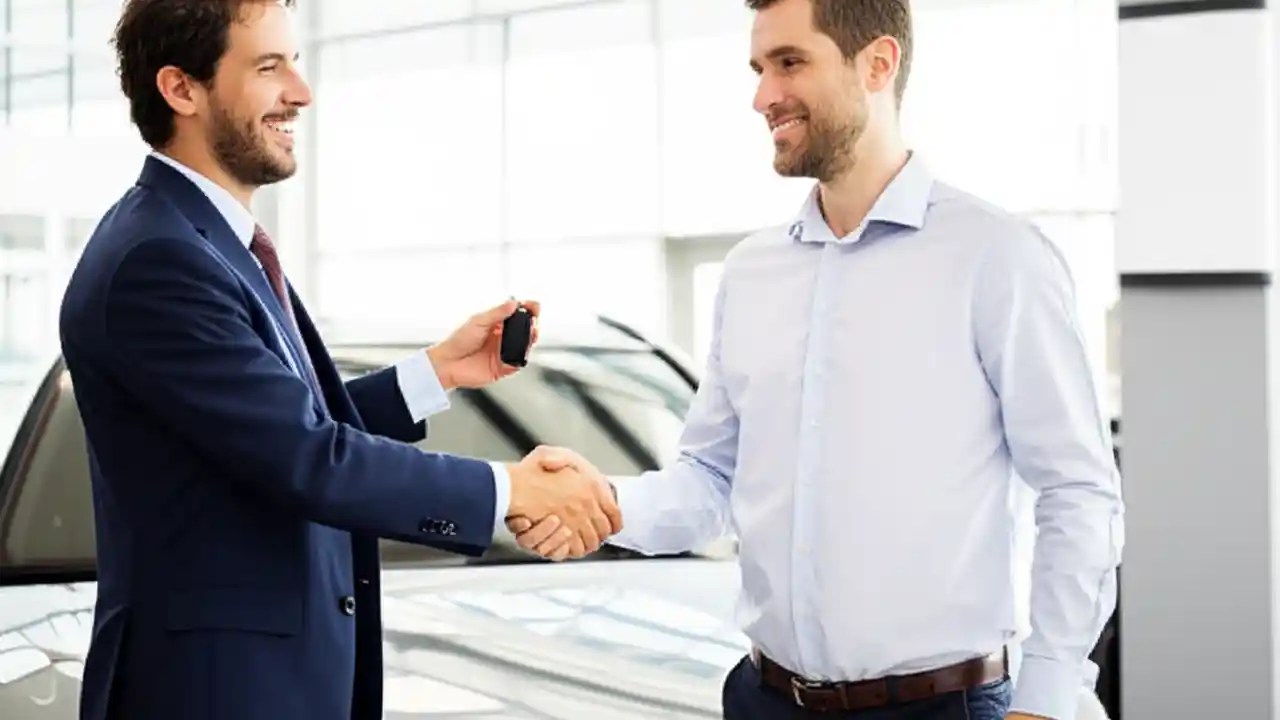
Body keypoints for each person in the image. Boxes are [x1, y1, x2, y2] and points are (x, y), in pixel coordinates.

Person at [509, 0, 1123, 719]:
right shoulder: (751, 272)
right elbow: (711, 479)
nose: (763, 96)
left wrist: (1047, 699)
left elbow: (1078, 490)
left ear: (878, 64)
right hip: (762, 698)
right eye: (760, 68)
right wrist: (607, 505)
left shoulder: (997, 259)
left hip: (938, 707)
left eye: (790, 62)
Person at [58, 2, 620, 720]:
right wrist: (510, 492)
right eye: (269, 67)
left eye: (295, 61)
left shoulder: (201, 239)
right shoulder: (159, 260)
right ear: (181, 90)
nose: (302, 90)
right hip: (216, 691)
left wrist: (435, 373)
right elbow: (307, 457)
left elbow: (273, 431)